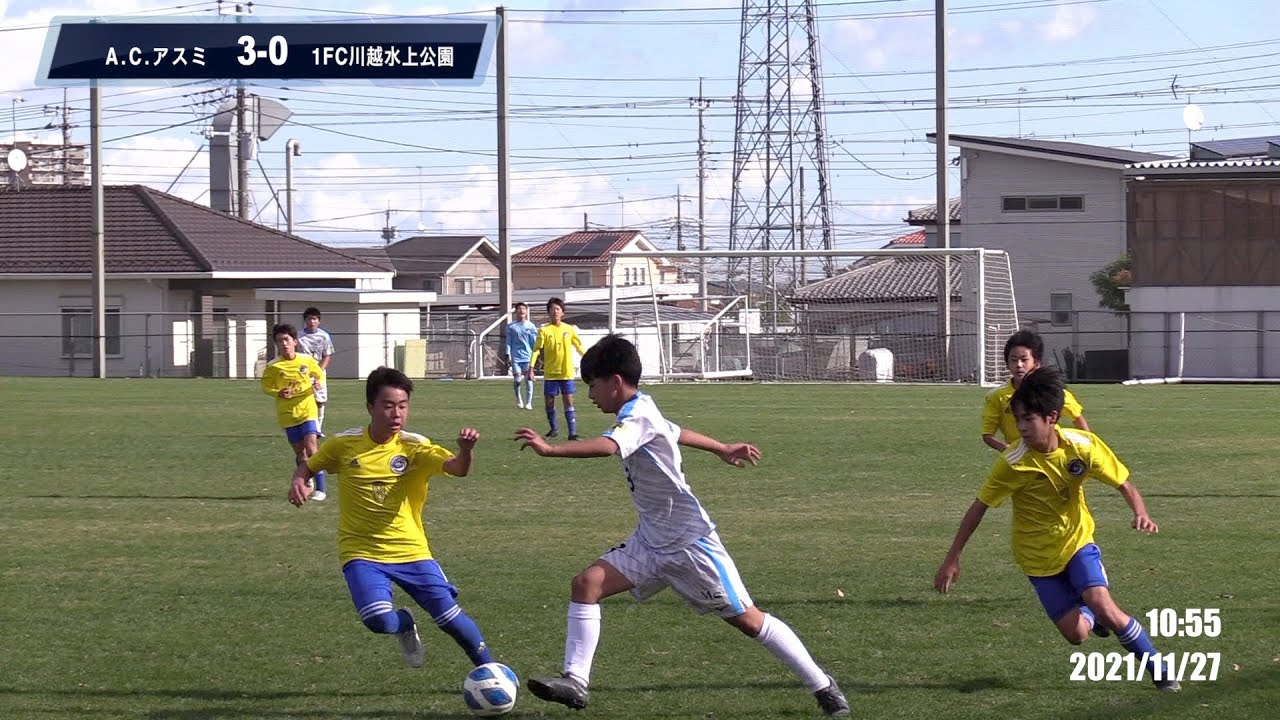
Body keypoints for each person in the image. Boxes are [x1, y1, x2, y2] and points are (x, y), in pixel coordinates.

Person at [514, 334, 850, 717]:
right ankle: (575, 681)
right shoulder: (641, 410)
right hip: (650, 540)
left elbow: (610, 446)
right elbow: (675, 432)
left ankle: (822, 685)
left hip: (690, 543)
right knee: (585, 584)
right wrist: (721, 447)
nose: (590, 395)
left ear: (616, 382)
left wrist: (551, 448)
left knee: (749, 620)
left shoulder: (636, 416)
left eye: (593, 385)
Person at [935, 367, 1180, 692]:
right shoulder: (1013, 461)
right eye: (1018, 419)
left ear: (1052, 417)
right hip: (1036, 558)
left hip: (1077, 540)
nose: (1020, 427)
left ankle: (1159, 670)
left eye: (1028, 420)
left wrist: (1141, 512)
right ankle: (1089, 614)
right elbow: (978, 507)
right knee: (1077, 634)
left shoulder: (1083, 446)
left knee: (1103, 605)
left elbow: (1124, 483)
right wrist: (953, 557)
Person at [287, 366, 497, 671]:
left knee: (449, 618)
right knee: (378, 619)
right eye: (388, 406)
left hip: (410, 550)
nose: (396, 413)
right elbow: (310, 465)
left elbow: (457, 469)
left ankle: (492, 673)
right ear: (370, 407)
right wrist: (299, 480)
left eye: (402, 406)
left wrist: (466, 451)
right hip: (360, 551)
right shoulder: (344, 445)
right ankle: (404, 623)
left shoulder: (415, 447)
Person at [983, 330, 1090, 451]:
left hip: (1050, 454)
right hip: (1021, 458)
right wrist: (1008, 449)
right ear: (1007, 363)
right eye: (1013, 360)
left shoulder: (1051, 390)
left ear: (1037, 362)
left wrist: (1087, 446)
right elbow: (987, 434)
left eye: (1024, 359)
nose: (1018, 365)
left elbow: (1077, 418)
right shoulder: (997, 396)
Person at [262, 323, 328, 501]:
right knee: (300, 454)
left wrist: (316, 382)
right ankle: (307, 480)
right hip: (288, 415)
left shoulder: (306, 360)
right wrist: (278, 392)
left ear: (295, 341)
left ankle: (321, 489)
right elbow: (266, 387)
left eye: (286, 340)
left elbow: (318, 373)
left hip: (307, 410)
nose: (283, 344)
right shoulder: (273, 366)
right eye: (279, 341)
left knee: (312, 448)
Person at [528, 297, 587, 440]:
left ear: (562, 313)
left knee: (568, 401)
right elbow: (536, 350)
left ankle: (572, 433)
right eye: (552, 309)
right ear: (548, 312)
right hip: (550, 373)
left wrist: (588, 358)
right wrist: (530, 368)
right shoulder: (544, 330)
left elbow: (579, 346)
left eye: (557, 309)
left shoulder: (569, 329)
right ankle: (553, 429)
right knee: (549, 402)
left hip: (566, 372)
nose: (555, 312)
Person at [297, 307, 336, 437]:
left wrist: (318, 372)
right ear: (305, 320)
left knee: (320, 400)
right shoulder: (298, 336)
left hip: (318, 372)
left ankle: (318, 428)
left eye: (314, 319)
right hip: (302, 373)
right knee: (304, 399)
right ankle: (306, 427)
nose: (312, 321)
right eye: (309, 319)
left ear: (318, 321)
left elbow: (327, 355)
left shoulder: (324, 336)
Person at [505, 302, 539, 410]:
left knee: (528, 379)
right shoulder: (511, 326)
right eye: (519, 309)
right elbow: (508, 342)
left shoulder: (531, 326)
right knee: (517, 380)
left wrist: (537, 356)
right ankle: (518, 398)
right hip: (516, 357)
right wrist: (507, 354)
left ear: (526, 311)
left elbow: (534, 343)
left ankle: (529, 402)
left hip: (528, 357)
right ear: (516, 311)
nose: (521, 311)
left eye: (523, 309)